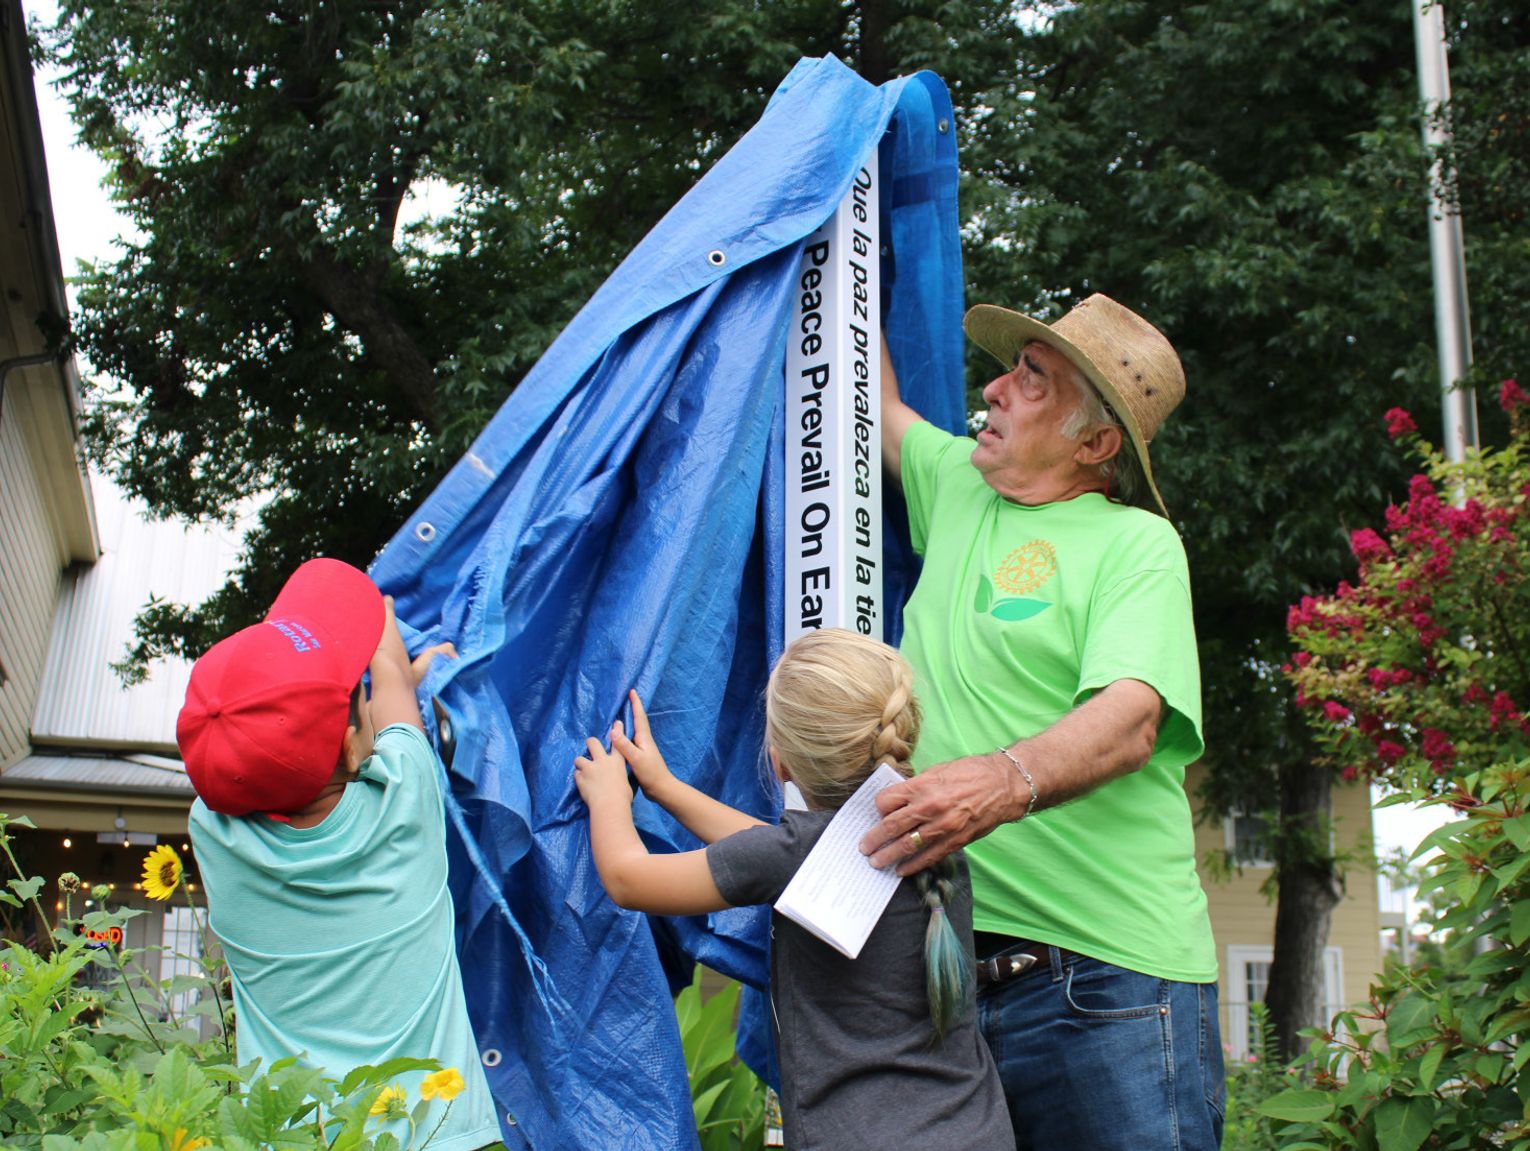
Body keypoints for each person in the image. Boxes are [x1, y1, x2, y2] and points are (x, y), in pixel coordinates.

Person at [860, 296, 1222, 1149]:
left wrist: (1005, 778)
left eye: (1031, 378)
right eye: (1008, 367)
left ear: (1093, 443)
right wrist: (835, 229)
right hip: (949, 979)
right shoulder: (954, 482)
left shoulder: (1136, 545)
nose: (993, 388)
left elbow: (1132, 716)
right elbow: (873, 403)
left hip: (1107, 985)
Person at [573, 629, 1014, 1150]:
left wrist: (608, 797)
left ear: (779, 761)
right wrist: (666, 789)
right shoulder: (934, 843)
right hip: (975, 1127)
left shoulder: (794, 854)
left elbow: (629, 879)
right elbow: (773, 852)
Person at [179, 558, 502, 1151]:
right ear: (356, 745)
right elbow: (394, 679)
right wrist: (393, 651)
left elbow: (246, 765)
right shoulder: (407, 794)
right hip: (440, 1133)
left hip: (303, 1137)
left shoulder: (213, 837)